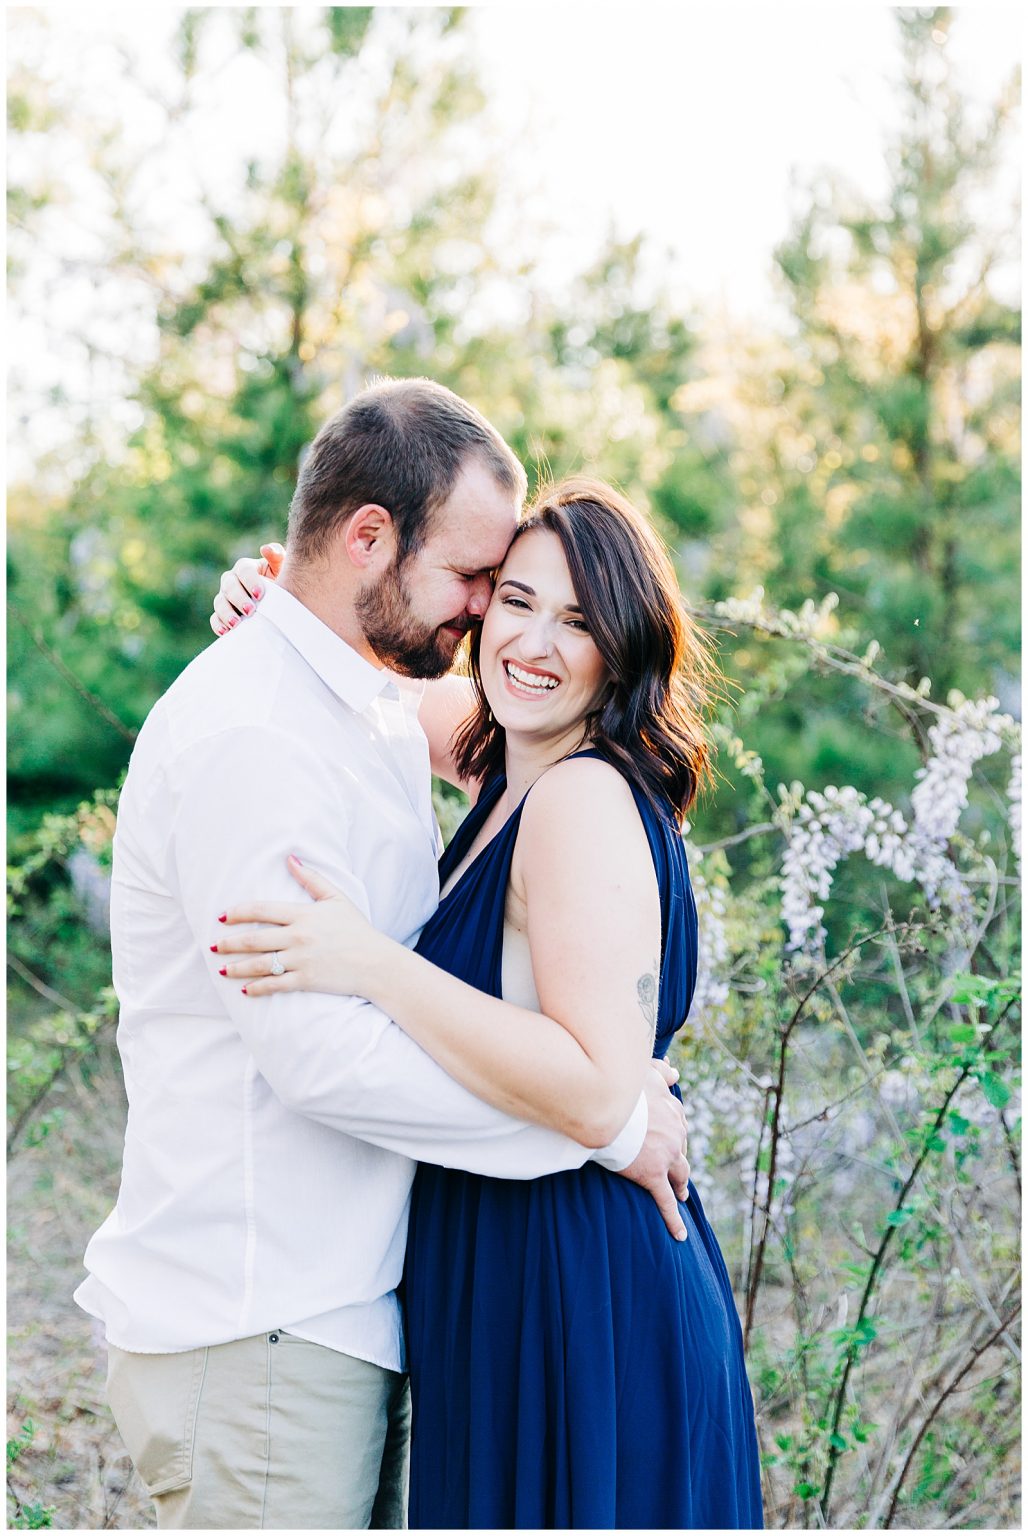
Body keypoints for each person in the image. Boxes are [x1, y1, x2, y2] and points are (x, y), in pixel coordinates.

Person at [74, 379, 691, 1532]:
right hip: (262, 1319)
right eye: (485, 586)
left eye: (567, 614)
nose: (487, 624)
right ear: (369, 537)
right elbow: (321, 1059)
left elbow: (499, 701)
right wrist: (598, 1127)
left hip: (404, 1309)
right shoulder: (269, 730)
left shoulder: (389, 714)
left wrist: (281, 613)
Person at [212, 477, 764, 1529]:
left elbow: (597, 1086)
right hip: (508, 1263)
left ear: (624, 648)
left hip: (574, 1282)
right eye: (514, 600)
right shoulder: (507, 754)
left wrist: (371, 964)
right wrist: (270, 601)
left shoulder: (578, 797)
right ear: (479, 606)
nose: (535, 644)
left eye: (578, 621)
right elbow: (357, 671)